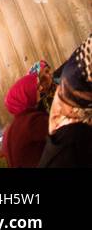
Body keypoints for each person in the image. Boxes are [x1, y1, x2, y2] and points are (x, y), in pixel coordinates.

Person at [39, 33, 92, 167]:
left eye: (48, 70)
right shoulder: (72, 144)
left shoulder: (63, 87)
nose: (49, 74)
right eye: (44, 74)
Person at [1, 72, 49, 167]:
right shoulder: (32, 121)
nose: (41, 89)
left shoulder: (11, 128)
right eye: (36, 87)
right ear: (25, 94)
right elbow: (62, 131)